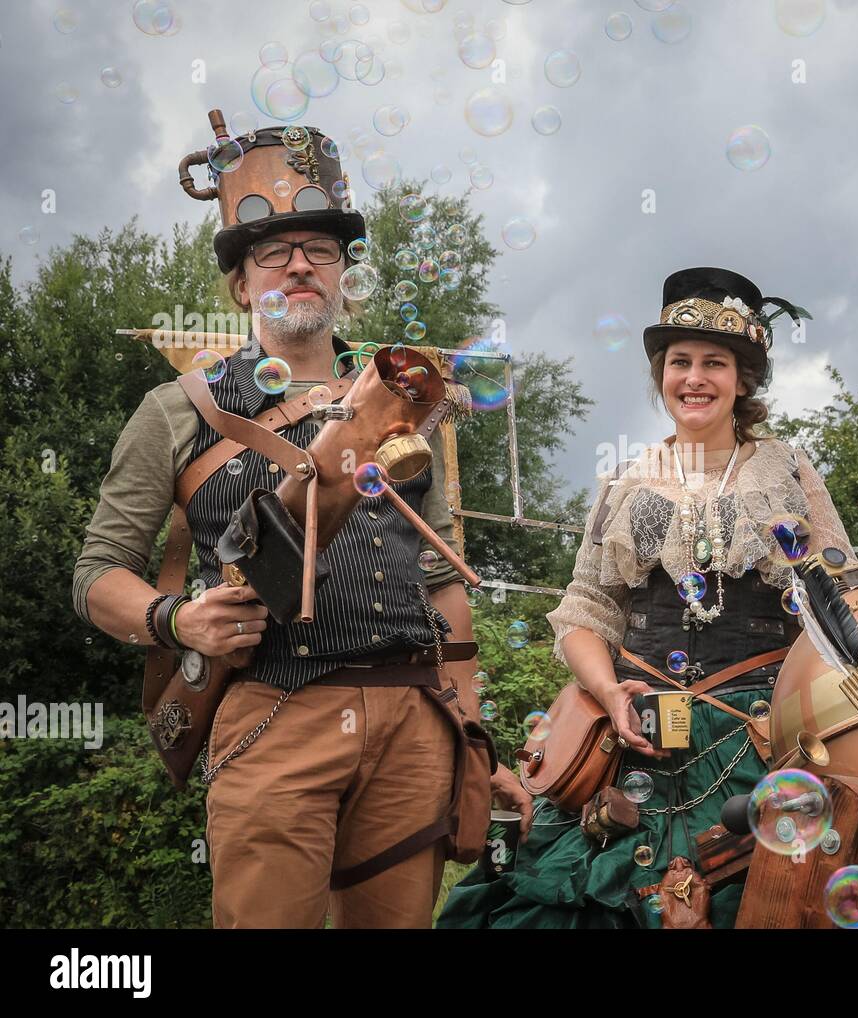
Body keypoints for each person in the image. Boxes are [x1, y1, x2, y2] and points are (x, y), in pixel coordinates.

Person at [71, 115, 531, 929]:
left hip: (413, 719)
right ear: (242, 286)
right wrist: (176, 619)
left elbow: (442, 587)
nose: (298, 264)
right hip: (273, 711)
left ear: (344, 275)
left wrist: (472, 729)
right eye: (272, 252)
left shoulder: (405, 397)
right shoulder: (177, 411)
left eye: (320, 249)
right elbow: (96, 573)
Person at [438, 267, 856, 929]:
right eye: (679, 362)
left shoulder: (788, 471)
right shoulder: (625, 482)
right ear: (661, 374)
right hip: (637, 736)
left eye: (714, 363)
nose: (694, 378)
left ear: (743, 380)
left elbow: (838, 602)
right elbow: (585, 611)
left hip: (762, 735)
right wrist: (608, 692)